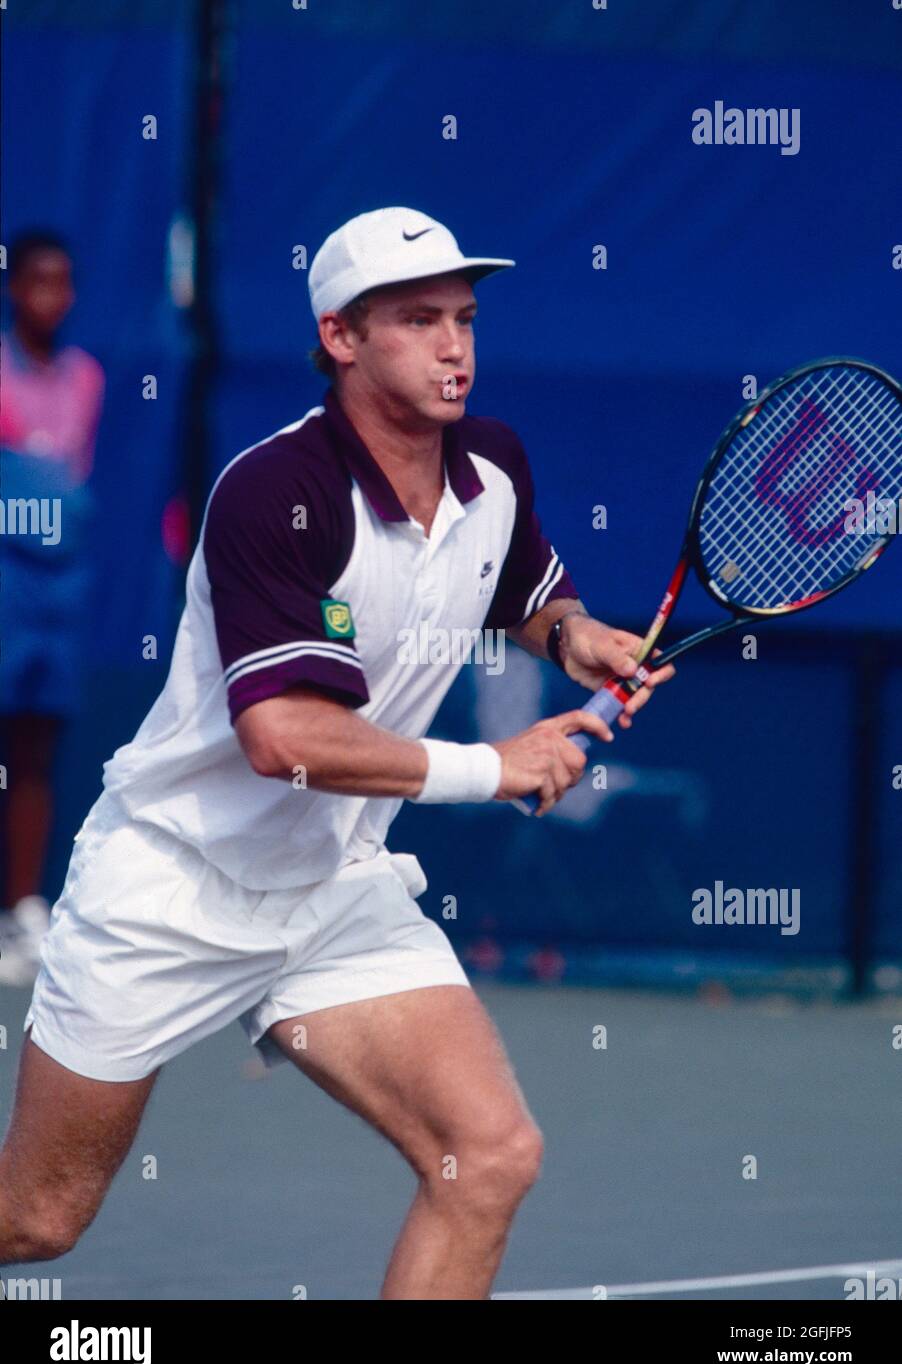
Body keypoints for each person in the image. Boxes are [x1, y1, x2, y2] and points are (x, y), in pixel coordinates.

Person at [0, 208, 673, 1299]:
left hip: (332, 891)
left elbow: (523, 591)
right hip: (170, 882)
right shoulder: (275, 495)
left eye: (462, 318)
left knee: (488, 1156)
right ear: (341, 337)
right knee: (37, 1220)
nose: (454, 345)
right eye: (416, 320)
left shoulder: (491, 465)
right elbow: (283, 738)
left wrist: (577, 636)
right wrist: (491, 767)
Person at [0, 231, 104, 986]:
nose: (52, 295)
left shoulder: (87, 378)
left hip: (57, 591)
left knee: (37, 747)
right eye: (38, 280)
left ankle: (23, 908)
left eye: (64, 281)